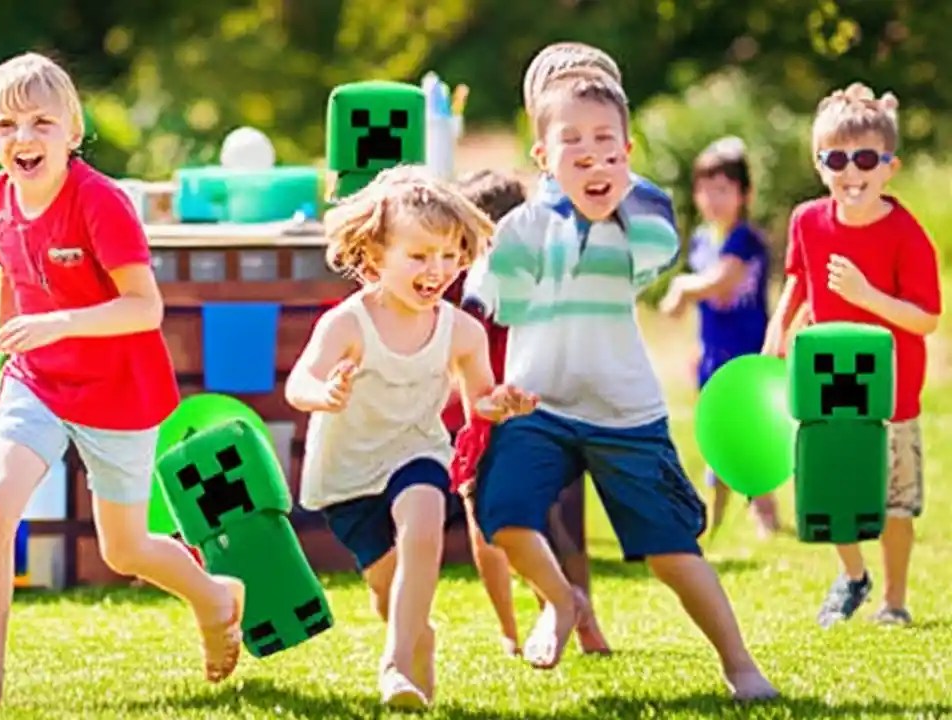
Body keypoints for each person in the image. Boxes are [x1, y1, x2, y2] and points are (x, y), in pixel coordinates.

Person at [0, 53, 245, 709]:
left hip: (118, 394)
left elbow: (144, 307)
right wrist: (2, 376)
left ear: (73, 132)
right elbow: (7, 274)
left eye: (43, 122)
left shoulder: (101, 203)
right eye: (8, 124)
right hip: (35, 381)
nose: (24, 138)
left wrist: (59, 324)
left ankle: (216, 597)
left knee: (124, 551)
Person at [461, 65, 778, 701]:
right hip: (538, 407)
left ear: (629, 157)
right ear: (542, 158)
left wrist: (612, 183)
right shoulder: (523, 229)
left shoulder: (639, 220)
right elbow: (479, 308)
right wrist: (489, 393)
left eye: (609, 145)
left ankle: (740, 664)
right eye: (572, 145)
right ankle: (559, 600)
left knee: (671, 551)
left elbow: (659, 244)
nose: (594, 158)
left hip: (624, 411)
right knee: (503, 514)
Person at [289, 165, 536, 710]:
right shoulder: (348, 324)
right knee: (390, 592)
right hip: (348, 476)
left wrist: (506, 405)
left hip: (416, 452)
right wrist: (324, 393)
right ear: (376, 256)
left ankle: (395, 663)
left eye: (449, 255)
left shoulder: (462, 331)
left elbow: (481, 406)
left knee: (423, 524)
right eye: (420, 256)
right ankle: (415, 660)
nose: (439, 269)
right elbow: (298, 383)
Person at [762, 84, 941, 629]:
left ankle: (893, 598)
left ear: (890, 166)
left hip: (892, 394)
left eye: (865, 158)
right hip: (825, 388)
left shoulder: (906, 234)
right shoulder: (807, 221)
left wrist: (868, 298)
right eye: (835, 159)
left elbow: (926, 318)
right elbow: (798, 281)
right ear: (820, 165)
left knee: (894, 503)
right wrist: (779, 330)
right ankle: (853, 574)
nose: (850, 171)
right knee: (830, 488)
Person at [442, 168, 610, 658]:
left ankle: (512, 632)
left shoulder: (469, 281)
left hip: (493, 411)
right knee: (558, 523)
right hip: (552, 405)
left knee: (491, 525)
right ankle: (585, 623)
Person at [659, 137, 780, 539]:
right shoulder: (700, 242)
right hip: (714, 354)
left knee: (751, 436)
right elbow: (709, 303)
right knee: (716, 436)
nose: (713, 199)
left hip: (747, 353)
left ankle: (765, 516)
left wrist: (682, 290)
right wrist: (697, 346)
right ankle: (715, 520)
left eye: (723, 190)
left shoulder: (744, 240)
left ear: (744, 195)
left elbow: (722, 282)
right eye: (706, 189)